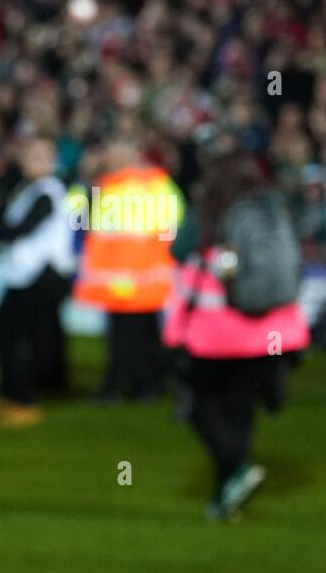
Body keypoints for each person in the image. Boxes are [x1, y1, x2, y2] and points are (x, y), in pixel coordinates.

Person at [163, 151, 309, 520]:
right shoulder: (274, 208)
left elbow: (178, 250)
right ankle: (224, 496)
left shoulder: (211, 211)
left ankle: (235, 469)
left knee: (200, 406)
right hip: (268, 333)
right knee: (240, 410)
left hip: (216, 331)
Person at [74, 138, 184, 401]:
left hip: (130, 275)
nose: (108, 159)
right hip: (136, 276)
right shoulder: (122, 184)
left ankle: (119, 387)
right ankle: (147, 385)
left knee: (125, 335)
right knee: (142, 333)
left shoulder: (137, 185)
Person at [0, 136, 74, 427]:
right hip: (31, 276)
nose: (33, 161)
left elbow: (18, 229)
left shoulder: (47, 191)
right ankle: (21, 393)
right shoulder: (32, 189)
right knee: (29, 335)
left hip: (39, 276)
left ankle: (22, 400)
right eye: (30, 155)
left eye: (41, 156)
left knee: (8, 332)